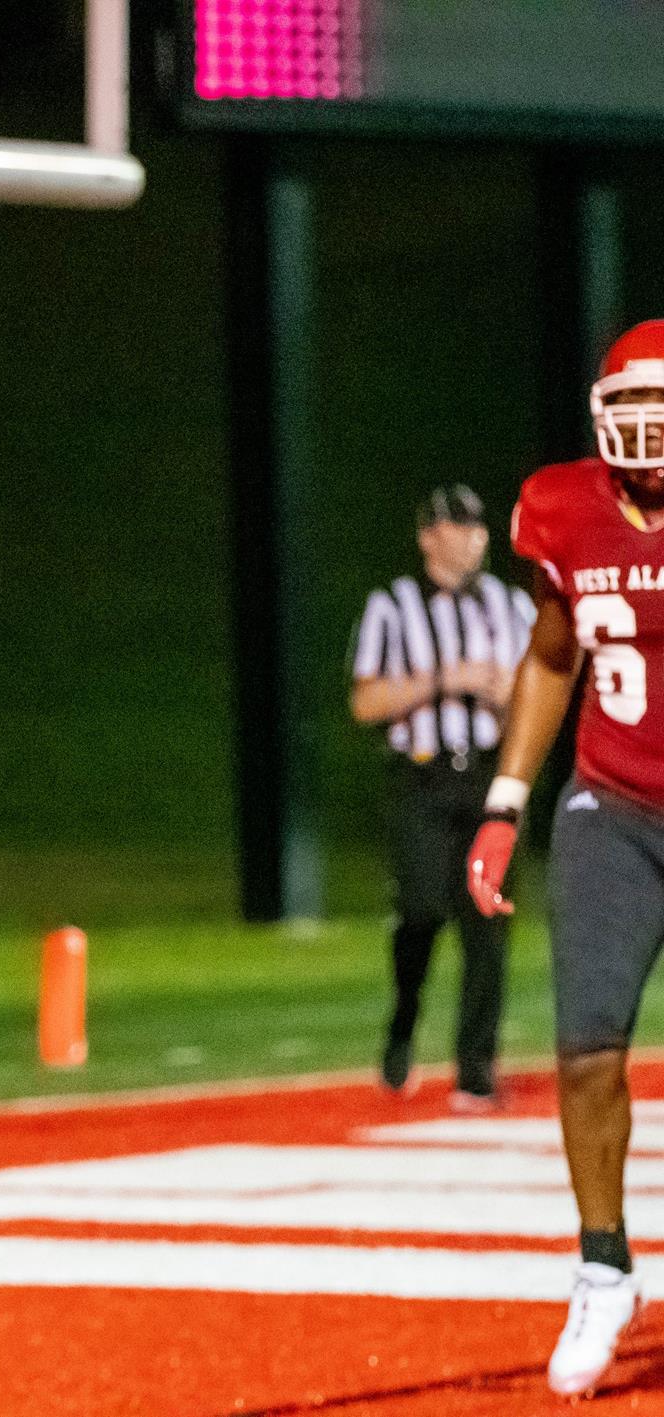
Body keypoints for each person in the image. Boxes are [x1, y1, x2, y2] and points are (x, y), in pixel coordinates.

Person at [467, 318, 664, 1397]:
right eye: (632, 412)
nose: (646, 435)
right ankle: (602, 1268)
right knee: (587, 1051)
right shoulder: (564, 508)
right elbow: (552, 655)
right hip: (613, 805)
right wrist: (504, 804)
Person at [348, 484, 533, 1108]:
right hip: (422, 779)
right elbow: (365, 702)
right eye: (460, 526)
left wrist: (509, 696)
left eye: (480, 526)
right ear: (429, 536)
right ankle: (403, 1025)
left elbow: (542, 694)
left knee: (488, 923)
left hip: (488, 777)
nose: (475, 537)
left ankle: (476, 1070)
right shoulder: (392, 606)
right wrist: (443, 680)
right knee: (421, 911)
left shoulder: (511, 605)